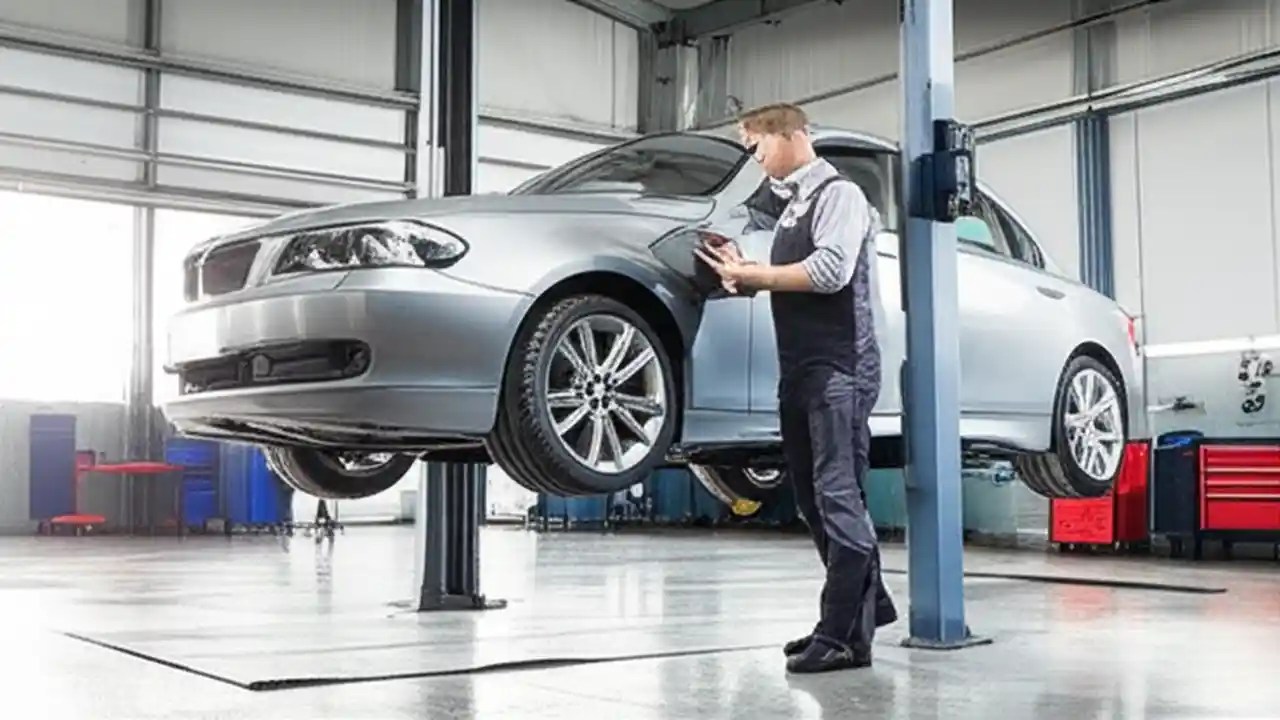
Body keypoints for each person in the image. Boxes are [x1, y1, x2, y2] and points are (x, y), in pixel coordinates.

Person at [695, 102, 897, 673]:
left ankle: (837, 632)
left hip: (841, 368)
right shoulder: (790, 210)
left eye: (757, 145)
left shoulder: (840, 196)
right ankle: (859, 623)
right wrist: (739, 271)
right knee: (813, 500)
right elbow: (788, 281)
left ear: (791, 135)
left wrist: (756, 277)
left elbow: (831, 271)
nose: (754, 158)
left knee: (837, 495)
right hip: (802, 369)